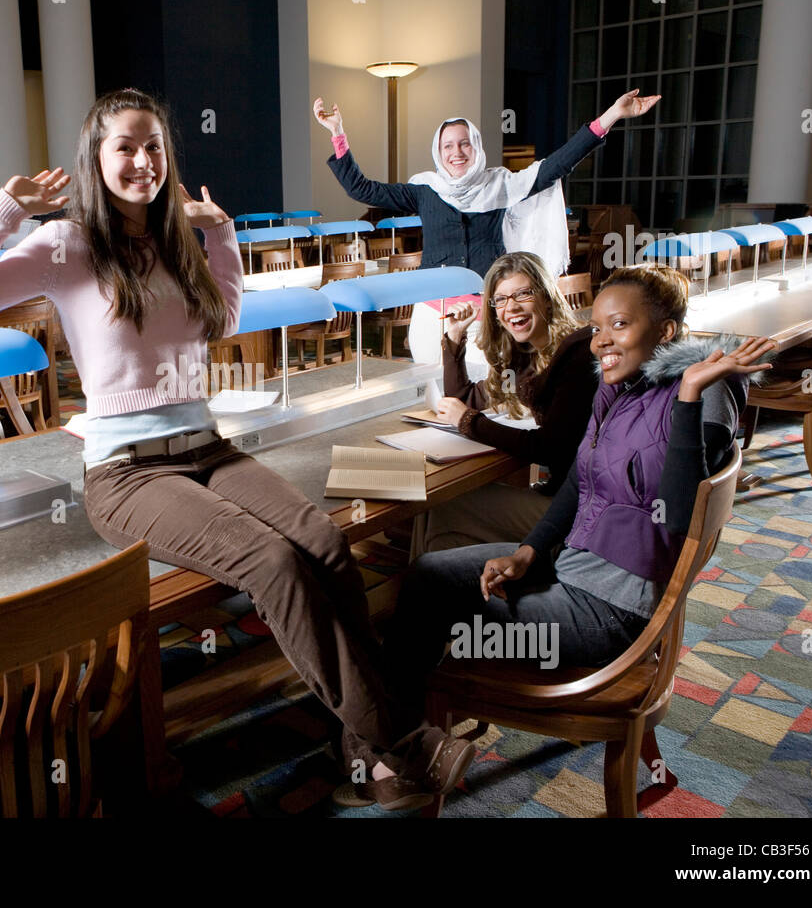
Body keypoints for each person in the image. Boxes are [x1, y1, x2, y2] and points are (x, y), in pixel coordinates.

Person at [0, 88, 475, 812]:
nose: (142, 161)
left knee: (325, 543)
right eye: (124, 146)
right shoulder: (66, 243)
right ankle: (402, 742)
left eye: (153, 146)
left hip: (205, 449)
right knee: (273, 560)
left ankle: (364, 749)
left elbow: (223, 317)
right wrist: (5, 210)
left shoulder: (176, 239)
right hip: (126, 475)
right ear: (97, 157)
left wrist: (220, 233)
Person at [388, 264, 775, 675]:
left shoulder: (708, 391)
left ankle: (396, 722)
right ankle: (400, 714)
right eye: (596, 328)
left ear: (666, 332)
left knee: (428, 608)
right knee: (427, 573)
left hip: (612, 614)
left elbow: (679, 513)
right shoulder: (617, 386)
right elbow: (579, 480)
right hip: (570, 568)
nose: (600, 342)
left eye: (620, 324)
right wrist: (527, 552)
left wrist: (689, 395)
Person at [312, 90, 659, 274]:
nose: (457, 152)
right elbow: (362, 189)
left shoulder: (504, 185)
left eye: (464, 143)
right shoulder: (425, 189)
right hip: (438, 301)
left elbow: (557, 165)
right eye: (448, 145)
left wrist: (612, 115)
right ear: (438, 151)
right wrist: (338, 134)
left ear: (476, 146)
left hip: (491, 300)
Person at [423, 251, 598, 550]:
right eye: (500, 300)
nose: (511, 307)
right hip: (561, 497)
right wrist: (454, 336)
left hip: (582, 512)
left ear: (545, 296)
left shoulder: (578, 355)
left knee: (444, 505)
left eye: (523, 294)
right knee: (449, 533)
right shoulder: (526, 359)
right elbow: (464, 399)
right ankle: (441, 585)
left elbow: (550, 448)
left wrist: (468, 422)